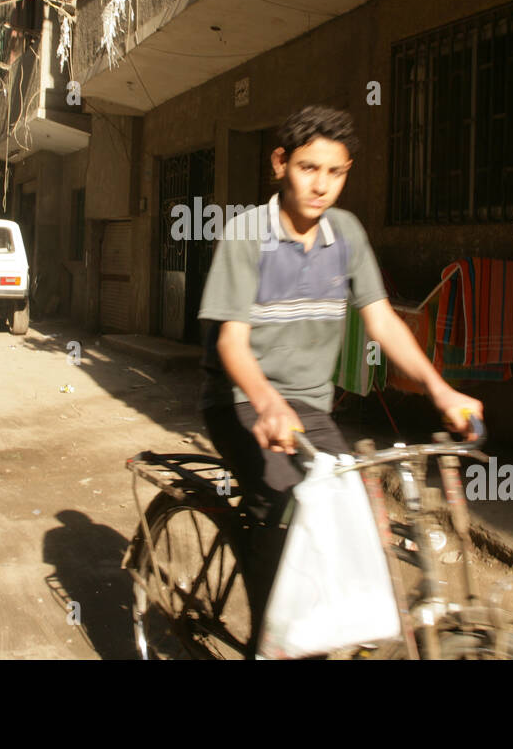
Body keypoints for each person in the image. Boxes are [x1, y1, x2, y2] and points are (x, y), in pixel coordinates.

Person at [196, 104, 484, 654]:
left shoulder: (346, 232)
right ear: (280, 164)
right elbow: (232, 342)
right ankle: (271, 645)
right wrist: (267, 403)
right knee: (285, 512)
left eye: (336, 172)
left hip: (308, 408)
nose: (322, 185)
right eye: (309, 168)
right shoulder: (246, 235)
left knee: (347, 512)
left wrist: (439, 388)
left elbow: (382, 323)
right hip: (237, 400)